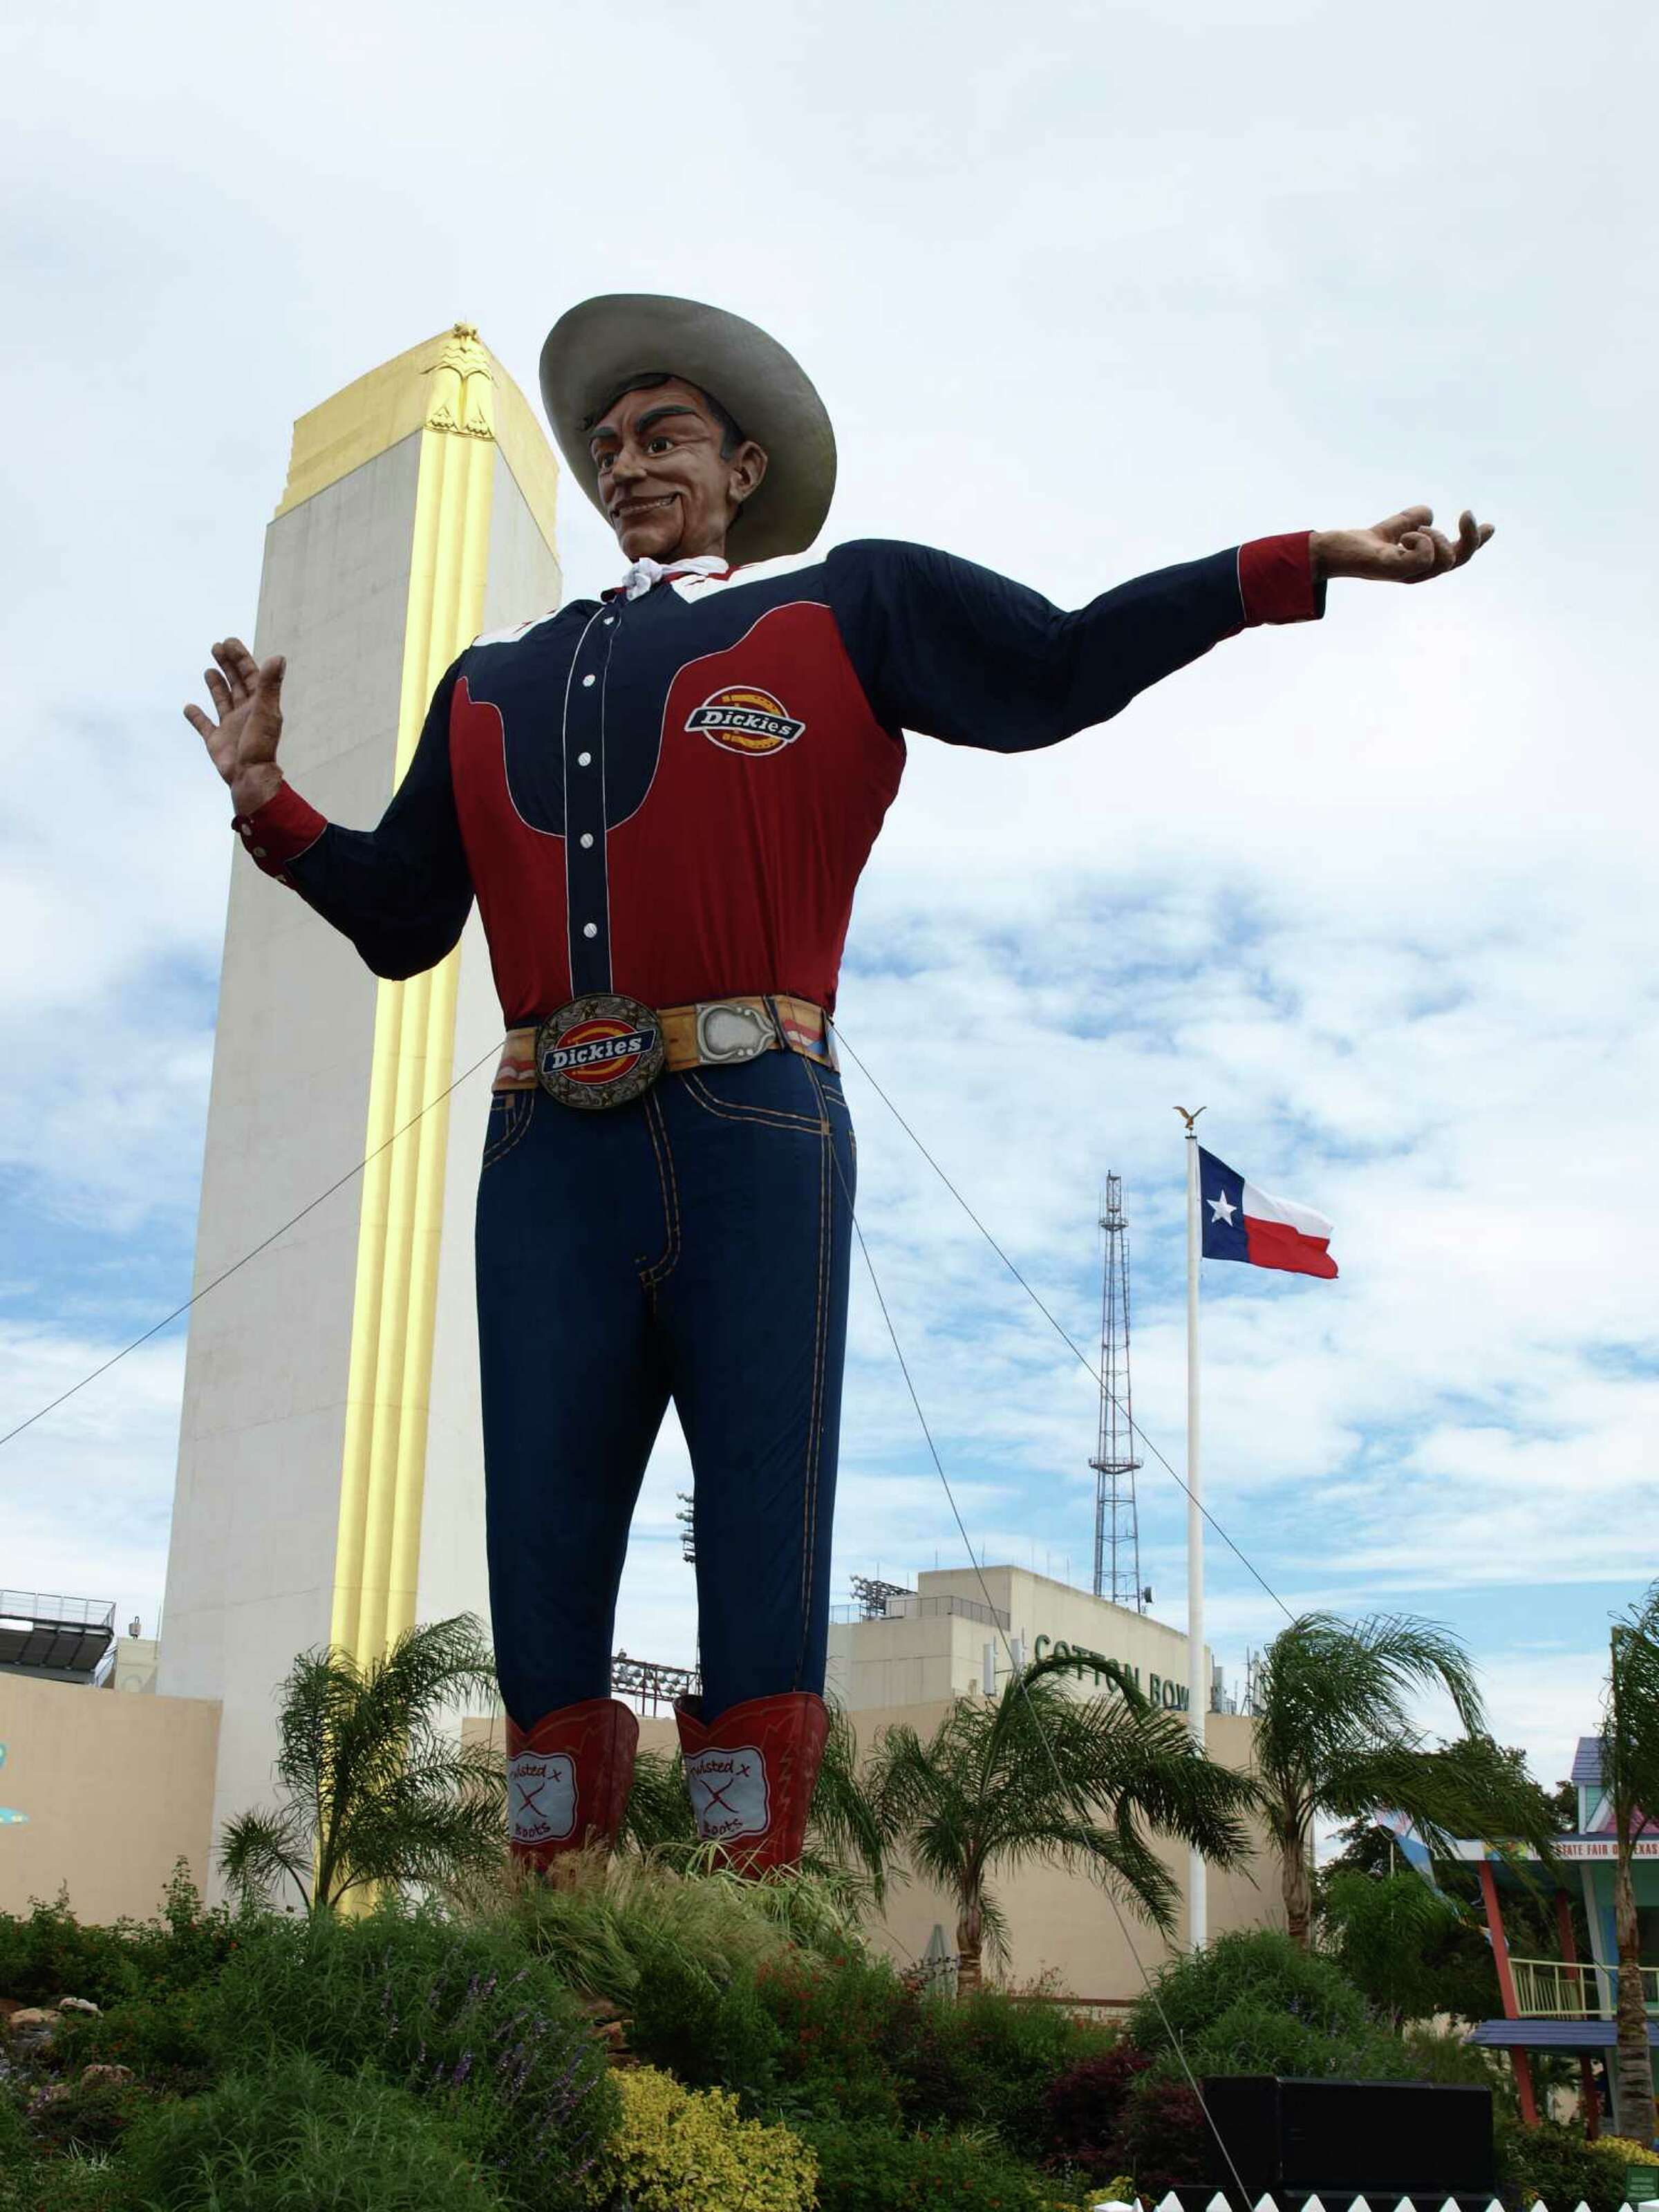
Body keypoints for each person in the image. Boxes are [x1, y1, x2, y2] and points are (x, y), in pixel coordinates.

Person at [185, 293, 1492, 1873]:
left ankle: (735, 1925)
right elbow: (406, 923)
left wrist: (1295, 566)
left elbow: (1058, 667)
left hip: (757, 1123)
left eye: (662, 438)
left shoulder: (842, 610)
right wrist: (273, 805)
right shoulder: (484, 683)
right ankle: (555, 1919)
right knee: (537, 1550)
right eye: (607, 447)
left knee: (758, 1534)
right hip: (545, 1145)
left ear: (744, 468)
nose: (626, 466)